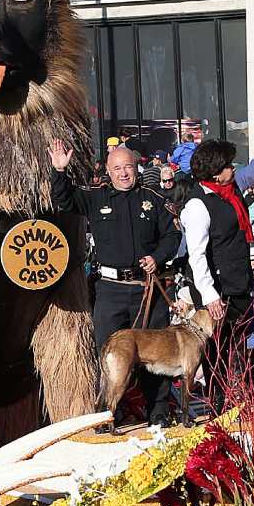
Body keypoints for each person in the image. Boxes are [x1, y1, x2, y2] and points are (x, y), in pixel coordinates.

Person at [85, 145, 179, 353]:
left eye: (128, 167)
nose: (124, 173)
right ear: (108, 171)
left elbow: (172, 236)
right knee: (110, 359)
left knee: (155, 359)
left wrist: (157, 257)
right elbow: (63, 199)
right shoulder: (96, 197)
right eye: (117, 168)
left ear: (136, 168)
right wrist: (59, 170)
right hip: (110, 291)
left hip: (146, 289)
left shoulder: (154, 199)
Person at [183, 139, 254, 346]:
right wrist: (209, 294)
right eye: (228, 166)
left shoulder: (231, 190)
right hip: (216, 288)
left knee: (239, 346)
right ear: (215, 173)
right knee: (218, 352)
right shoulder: (198, 204)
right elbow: (197, 254)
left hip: (238, 280)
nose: (233, 169)